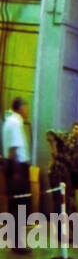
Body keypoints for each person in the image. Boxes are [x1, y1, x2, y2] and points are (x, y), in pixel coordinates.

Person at [4, 98, 31, 246]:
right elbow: (14, 148)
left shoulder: (9, 121)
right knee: (20, 205)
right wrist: (16, 172)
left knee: (15, 203)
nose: (27, 111)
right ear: (20, 107)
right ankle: (17, 242)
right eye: (26, 107)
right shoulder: (15, 123)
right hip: (17, 167)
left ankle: (13, 238)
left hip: (13, 166)